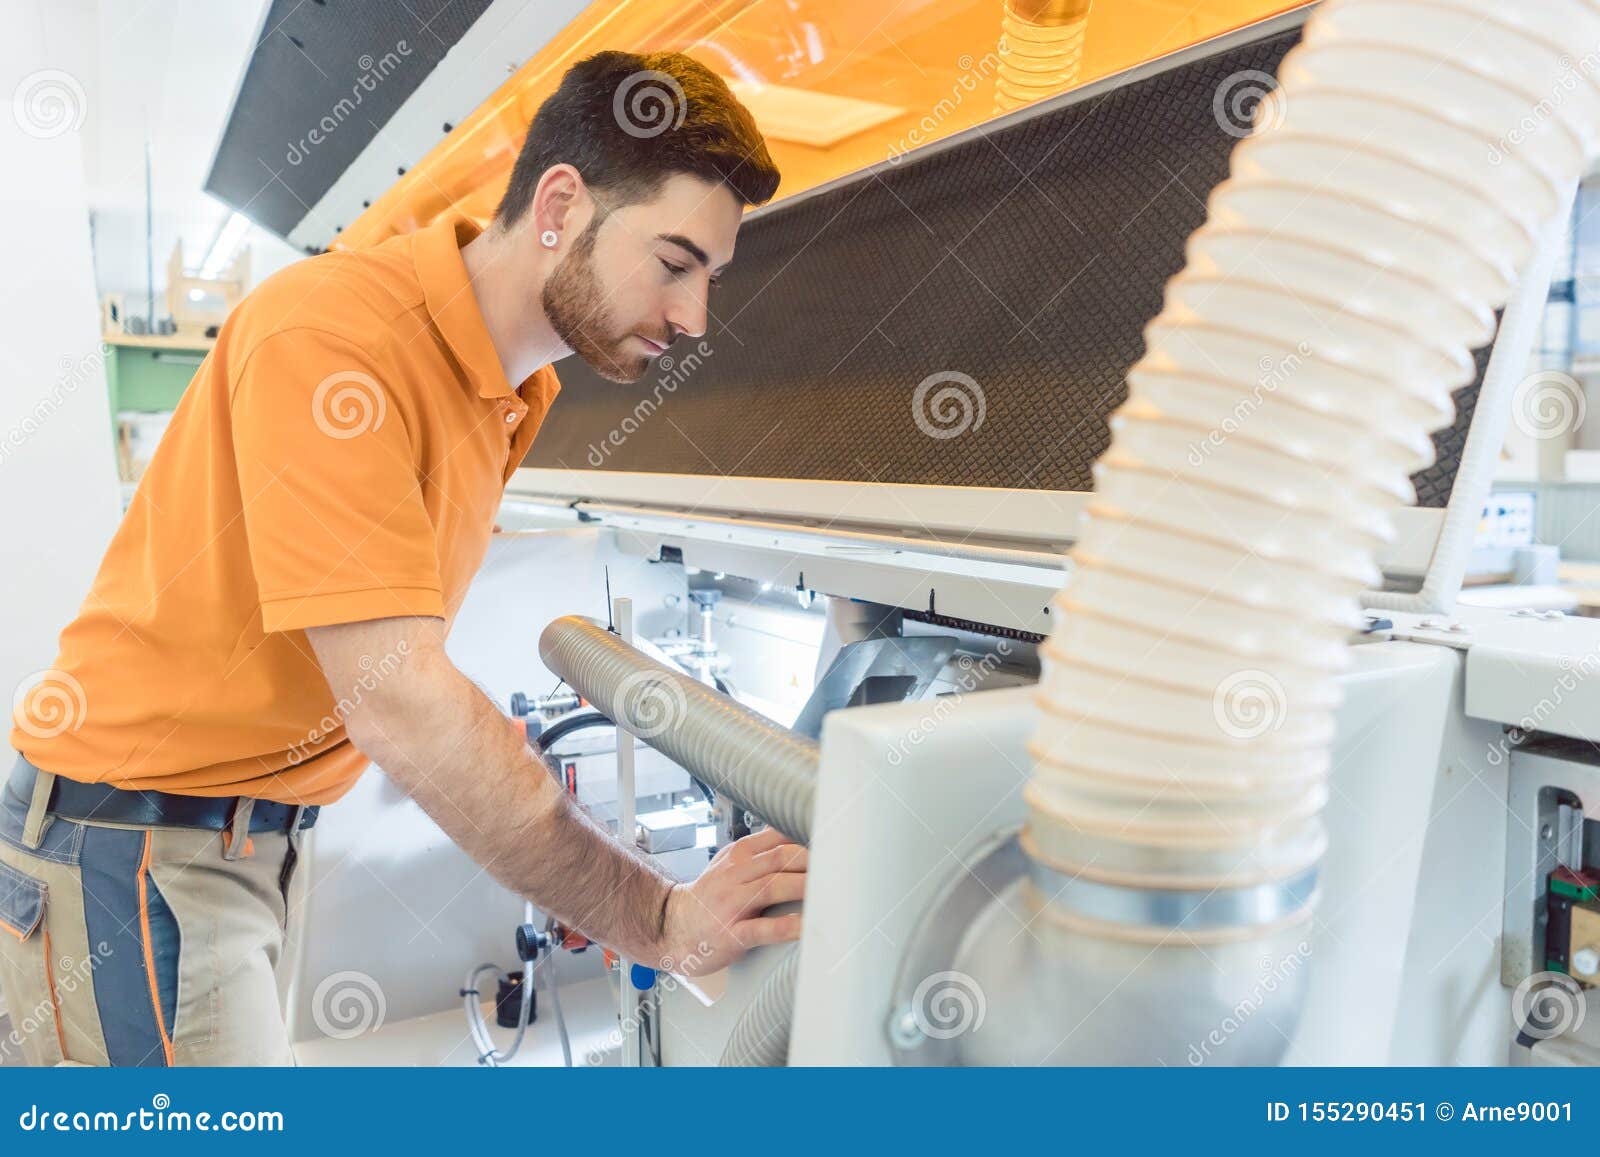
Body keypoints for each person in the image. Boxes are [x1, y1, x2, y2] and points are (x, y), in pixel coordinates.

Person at [0, 50, 803, 1067]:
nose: (693, 318)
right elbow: (400, 700)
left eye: (709, 279)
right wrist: (656, 915)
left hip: (245, 843)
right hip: (134, 848)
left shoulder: (510, 389)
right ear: (560, 204)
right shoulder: (336, 334)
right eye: (675, 263)